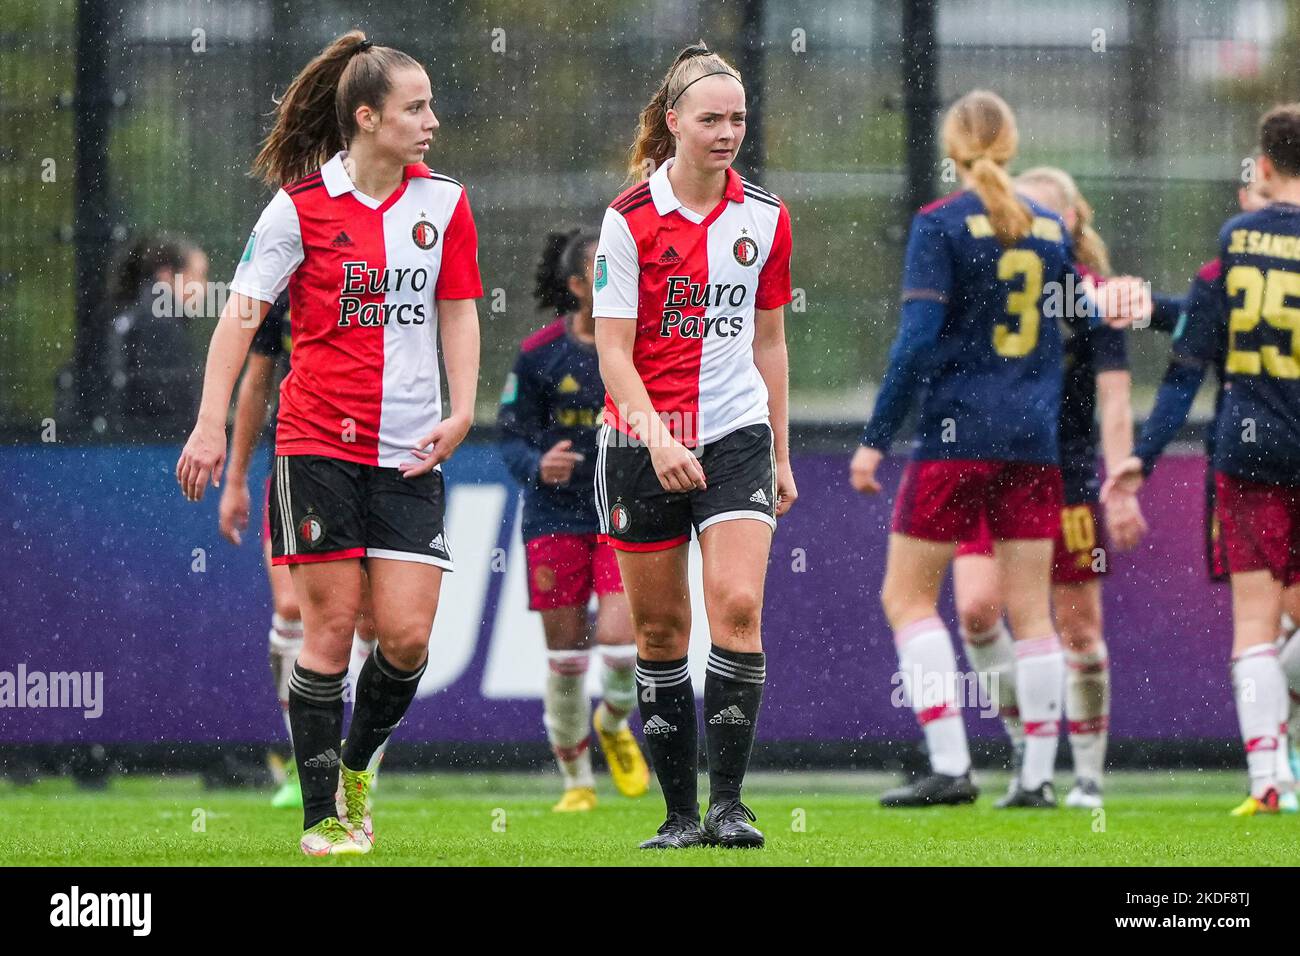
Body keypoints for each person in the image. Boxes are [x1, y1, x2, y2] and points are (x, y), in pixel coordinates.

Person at [177, 30, 482, 855]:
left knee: (409, 637)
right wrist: (210, 427)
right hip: (316, 448)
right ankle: (324, 817)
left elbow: (458, 307)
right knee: (329, 632)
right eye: (415, 108)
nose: (431, 122)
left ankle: (355, 770)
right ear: (367, 116)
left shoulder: (445, 203)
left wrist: (462, 408)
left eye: (430, 106)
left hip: (411, 449)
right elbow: (240, 319)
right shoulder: (298, 208)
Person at [850, 90, 1136, 809]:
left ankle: (951, 766)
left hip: (956, 437)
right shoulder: (1045, 224)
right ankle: (1037, 777)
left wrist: (875, 440)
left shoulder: (940, 223)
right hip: (1033, 443)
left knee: (907, 599)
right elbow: (1083, 306)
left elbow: (915, 344)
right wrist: (1152, 305)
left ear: (954, 148)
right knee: (1031, 613)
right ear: (1010, 145)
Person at [593, 43, 795, 849]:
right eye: (710, 118)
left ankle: (730, 805)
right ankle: (679, 817)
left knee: (738, 608)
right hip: (641, 441)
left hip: (737, 433)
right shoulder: (628, 218)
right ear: (672, 121)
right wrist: (655, 437)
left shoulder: (768, 217)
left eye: (738, 119)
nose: (726, 132)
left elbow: (771, 341)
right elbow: (613, 352)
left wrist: (778, 451)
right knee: (659, 635)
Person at [1105, 107, 1300, 813]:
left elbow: (1189, 362)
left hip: (1251, 450)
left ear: (1266, 168)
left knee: (1255, 623)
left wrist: (1142, 457)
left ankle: (1270, 781)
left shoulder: (1236, 243)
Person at [948, 166, 1143, 810]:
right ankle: (1029, 756)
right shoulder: (992, 287)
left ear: (1069, 224)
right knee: (977, 612)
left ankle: (1086, 774)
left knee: (1079, 628)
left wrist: (1121, 483)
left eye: (1041, 213)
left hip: (1065, 476)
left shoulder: (1093, 302)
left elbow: (1115, 402)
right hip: (989, 467)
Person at [498, 229, 650, 812]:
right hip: (554, 518)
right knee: (564, 659)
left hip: (618, 510)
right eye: (602, 272)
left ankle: (613, 721)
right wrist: (540, 463)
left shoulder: (637, 346)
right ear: (577, 286)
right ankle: (577, 781)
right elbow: (509, 435)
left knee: (619, 644)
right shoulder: (539, 355)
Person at [217, 290, 384, 811]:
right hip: (301, 461)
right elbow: (257, 383)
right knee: (292, 607)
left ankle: (359, 766)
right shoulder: (280, 288)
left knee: (371, 622)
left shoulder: (385, 270)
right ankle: (305, 755)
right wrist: (236, 478)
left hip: (379, 462)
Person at [102, 233, 209, 436]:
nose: (204, 287)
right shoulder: (161, 324)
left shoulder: (138, 312)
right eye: (198, 275)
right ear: (167, 275)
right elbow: (171, 402)